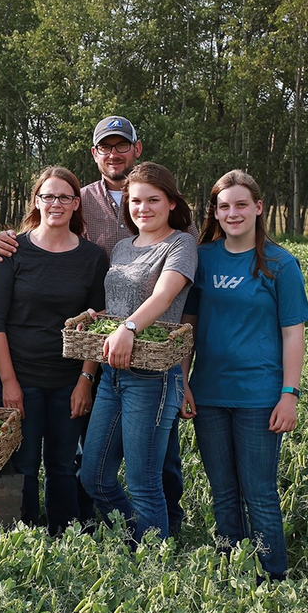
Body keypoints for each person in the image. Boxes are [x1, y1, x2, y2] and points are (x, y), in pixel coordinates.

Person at [0, 115, 188, 534]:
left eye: (121, 146)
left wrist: (174, 363)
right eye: (105, 147)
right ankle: (95, 527)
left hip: (144, 366)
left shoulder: (176, 236)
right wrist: (7, 240)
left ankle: (161, 536)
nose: (113, 154)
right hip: (103, 363)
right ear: (95, 153)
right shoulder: (91, 217)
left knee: (153, 463)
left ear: (137, 148)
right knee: (88, 464)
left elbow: (172, 296)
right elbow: (47, 249)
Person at [180, 170, 308, 580]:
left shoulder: (280, 263)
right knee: (223, 494)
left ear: (258, 208)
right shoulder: (203, 258)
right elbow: (189, 325)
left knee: (260, 494)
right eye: (223, 206)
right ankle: (232, 572)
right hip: (210, 394)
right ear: (214, 213)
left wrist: (290, 393)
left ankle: (273, 578)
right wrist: (182, 380)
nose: (232, 213)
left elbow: (293, 334)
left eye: (241, 204)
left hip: (260, 396)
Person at [0, 167, 108, 534]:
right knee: (22, 463)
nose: (56, 203)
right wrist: (9, 382)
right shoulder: (13, 251)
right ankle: (23, 535)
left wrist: (86, 381)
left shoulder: (93, 257)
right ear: (37, 202)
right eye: (48, 196)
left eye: (64, 197)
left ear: (76, 204)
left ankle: (63, 534)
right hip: (19, 377)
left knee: (63, 465)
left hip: (69, 381)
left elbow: (98, 326)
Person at [79, 162, 197, 541]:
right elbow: (117, 302)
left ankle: (150, 567)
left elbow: (165, 295)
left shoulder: (180, 243)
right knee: (93, 475)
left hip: (153, 376)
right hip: (113, 371)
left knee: (144, 482)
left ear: (171, 204)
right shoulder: (122, 247)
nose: (143, 208)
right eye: (135, 201)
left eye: (152, 200)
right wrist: (100, 318)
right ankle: (139, 538)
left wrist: (128, 327)